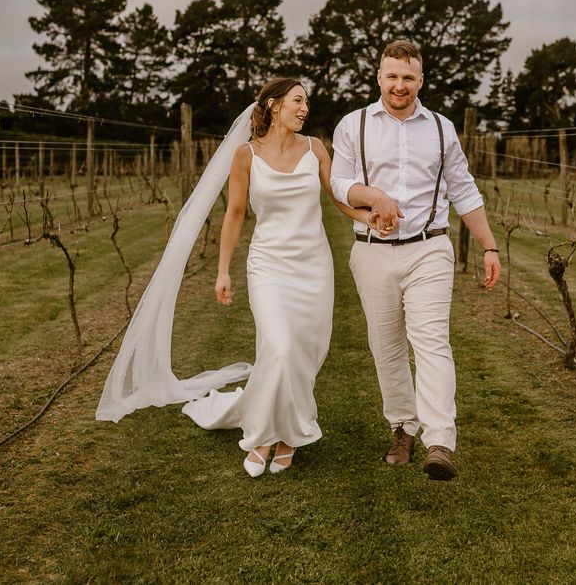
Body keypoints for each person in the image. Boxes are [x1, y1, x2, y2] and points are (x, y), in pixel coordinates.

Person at [181, 78, 380, 477]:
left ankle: (289, 436)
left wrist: (366, 216)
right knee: (280, 345)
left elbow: (338, 198)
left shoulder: (316, 148)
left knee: (303, 355)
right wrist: (223, 271)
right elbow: (236, 213)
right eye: (297, 101)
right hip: (268, 264)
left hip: (314, 266)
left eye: (307, 102)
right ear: (273, 105)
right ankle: (261, 436)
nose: (305, 108)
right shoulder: (245, 156)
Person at [329, 39, 501, 481]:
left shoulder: (442, 129)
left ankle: (440, 441)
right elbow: (339, 183)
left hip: (430, 248)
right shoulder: (354, 125)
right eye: (392, 76)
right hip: (372, 253)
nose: (399, 85)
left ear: (421, 79)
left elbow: (463, 189)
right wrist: (374, 197)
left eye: (408, 77)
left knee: (431, 342)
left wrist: (488, 246)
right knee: (386, 347)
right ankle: (403, 427)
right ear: (379, 77)